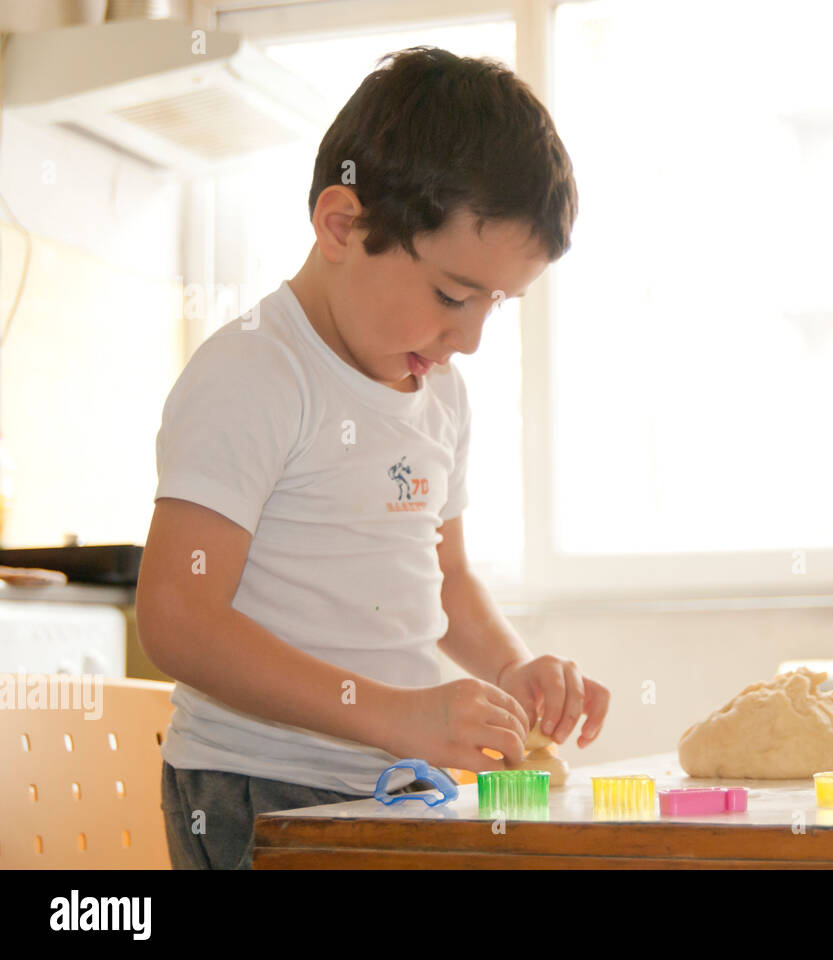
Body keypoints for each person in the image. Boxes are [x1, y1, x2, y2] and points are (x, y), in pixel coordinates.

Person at [136, 47, 606, 869]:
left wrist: (513, 667)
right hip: (256, 789)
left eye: (498, 304)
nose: (470, 338)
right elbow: (178, 617)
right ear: (342, 225)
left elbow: (446, 579)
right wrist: (396, 713)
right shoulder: (254, 373)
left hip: (392, 782)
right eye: (455, 297)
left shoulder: (440, 393)